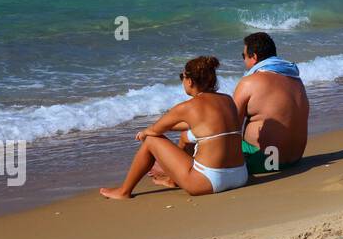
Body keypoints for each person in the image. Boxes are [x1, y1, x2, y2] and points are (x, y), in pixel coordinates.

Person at [101, 57, 247, 199]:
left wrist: (143, 133)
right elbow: (196, 125)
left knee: (151, 140)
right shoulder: (227, 100)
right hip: (240, 176)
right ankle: (173, 180)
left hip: (209, 182)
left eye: (181, 77)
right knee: (186, 135)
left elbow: (154, 130)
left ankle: (124, 191)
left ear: (189, 81)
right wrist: (167, 128)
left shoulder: (188, 107)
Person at [234, 32, 310, 174]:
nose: (243, 60)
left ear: (254, 57)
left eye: (243, 56)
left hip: (266, 162)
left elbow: (230, 129)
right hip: (295, 158)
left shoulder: (249, 82)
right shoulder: (296, 80)